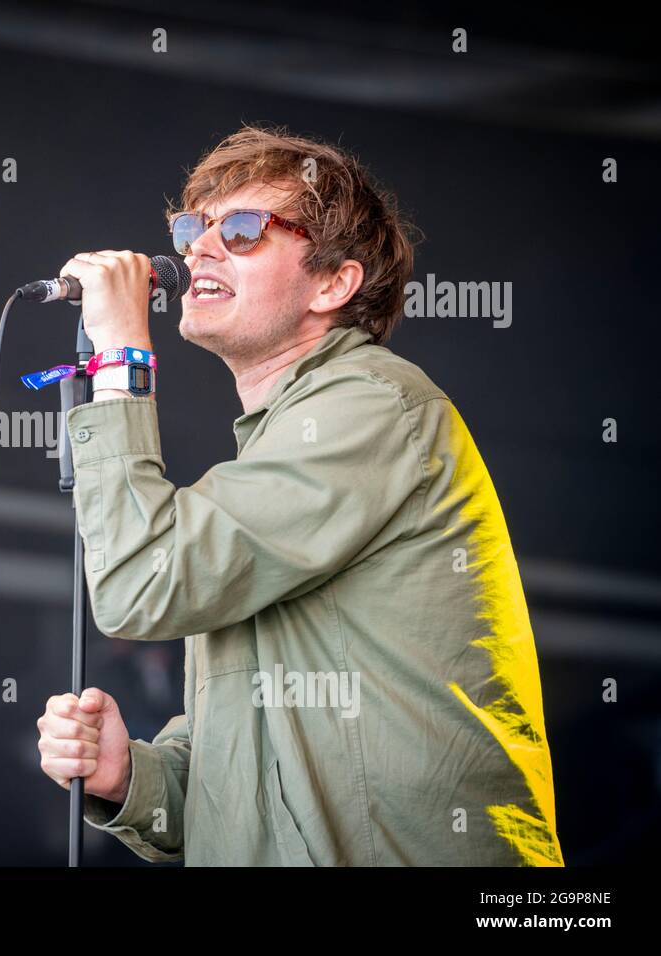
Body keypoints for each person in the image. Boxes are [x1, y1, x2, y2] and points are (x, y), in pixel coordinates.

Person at [35, 125, 563, 866]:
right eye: (193, 228)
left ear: (333, 283)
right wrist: (130, 778)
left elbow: (140, 583)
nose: (199, 249)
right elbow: (251, 801)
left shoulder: (371, 407)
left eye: (244, 230)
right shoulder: (280, 447)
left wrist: (123, 359)